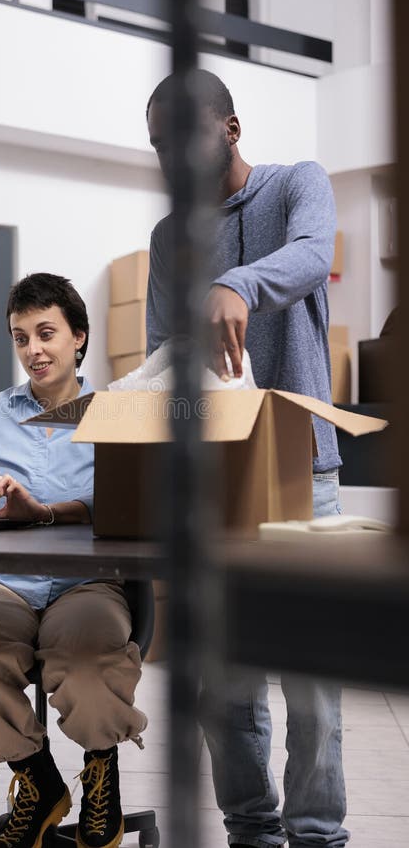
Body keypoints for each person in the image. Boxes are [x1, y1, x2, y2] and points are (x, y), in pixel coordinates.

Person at [145, 71, 348, 848]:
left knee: (314, 689)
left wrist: (235, 282)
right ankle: (251, 832)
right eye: (157, 144)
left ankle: (319, 835)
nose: (169, 159)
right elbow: (168, 349)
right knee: (223, 686)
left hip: (305, 476)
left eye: (181, 138)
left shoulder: (298, 184)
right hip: (219, 483)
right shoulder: (170, 238)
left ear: (229, 130)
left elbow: (308, 256)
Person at [0, 273, 147, 848]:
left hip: (87, 585)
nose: (33, 350)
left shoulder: (115, 411)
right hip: (2, 584)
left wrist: (43, 511)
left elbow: (132, 501)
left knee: (90, 660)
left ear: (79, 337)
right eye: (20, 338)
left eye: (46, 333)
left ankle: (101, 769)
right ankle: (40, 780)